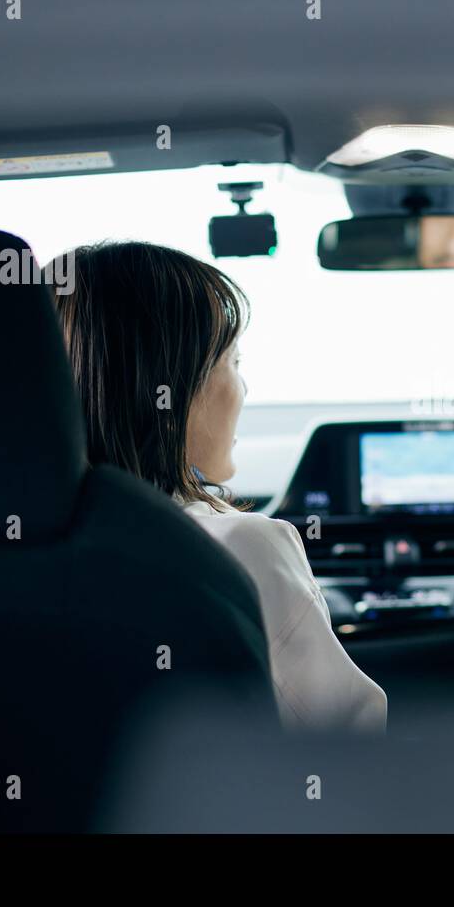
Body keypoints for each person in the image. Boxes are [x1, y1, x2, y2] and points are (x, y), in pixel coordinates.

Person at [48, 241, 387, 732]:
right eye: (233, 360)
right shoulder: (241, 549)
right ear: (169, 388)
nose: (244, 389)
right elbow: (346, 749)